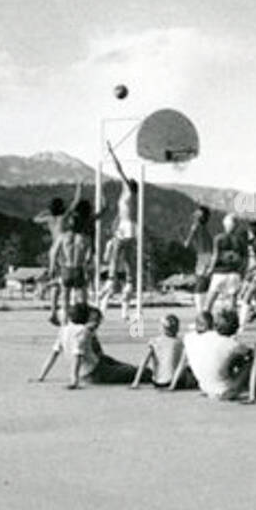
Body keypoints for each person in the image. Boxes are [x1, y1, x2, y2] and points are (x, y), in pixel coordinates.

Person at [172, 308, 252, 400]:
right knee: (249, 362)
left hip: (204, 386)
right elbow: (250, 353)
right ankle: (246, 389)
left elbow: (181, 364)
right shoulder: (233, 344)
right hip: (224, 389)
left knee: (228, 358)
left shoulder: (190, 337)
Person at [100, 143, 139, 319]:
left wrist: (111, 153)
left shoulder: (128, 192)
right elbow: (119, 214)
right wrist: (114, 225)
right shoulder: (128, 198)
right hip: (128, 227)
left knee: (115, 255)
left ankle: (109, 281)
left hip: (127, 227)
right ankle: (123, 309)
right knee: (129, 264)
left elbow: (119, 170)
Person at [33, 186, 76, 325]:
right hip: (64, 250)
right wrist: (78, 190)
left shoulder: (50, 219)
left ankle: (53, 311)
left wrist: (47, 211)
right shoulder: (64, 217)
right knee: (65, 283)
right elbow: (74, 203)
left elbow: (35, 219)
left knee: (56, 283)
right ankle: (65, 312)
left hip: (54, 249)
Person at [131, 314, 198, 390]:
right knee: (189, 369)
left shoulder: (154, 342)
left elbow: (144, 361)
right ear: (177, 329)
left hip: (158, 383)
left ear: (162, 328)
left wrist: (136, 381)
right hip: (175, 382)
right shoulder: (180, 343)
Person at [202, 215, 245, 315]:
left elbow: (215, 256)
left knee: (209, 301)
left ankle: (204, 322)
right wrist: (241, 272)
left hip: (220, 273)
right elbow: (243, 258)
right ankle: (232, 324)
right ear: (236, 226)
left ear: (225, 225)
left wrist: (210, 269)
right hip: (234, 273)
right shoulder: (240, 240)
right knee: (232, 302)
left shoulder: (219, 238)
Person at [184, 206, 215, 313]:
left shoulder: (196, 226)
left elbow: (187, 243)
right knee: (204, 285)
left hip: (203, 257)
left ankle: (201, 315)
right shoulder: (205, 229)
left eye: (197, 214)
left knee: (199, 287)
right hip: (207, 256)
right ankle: (204, 313)